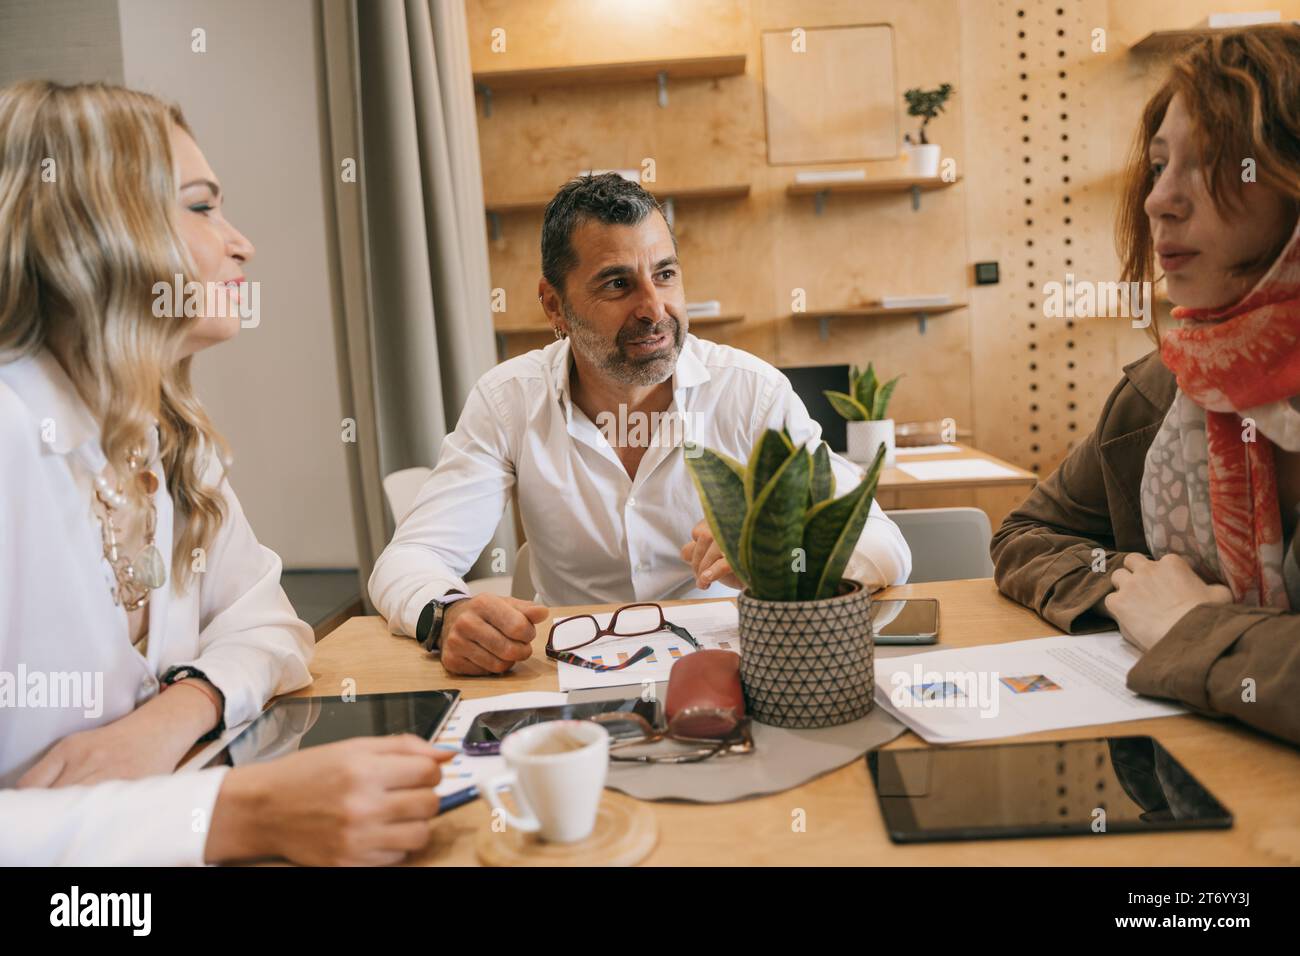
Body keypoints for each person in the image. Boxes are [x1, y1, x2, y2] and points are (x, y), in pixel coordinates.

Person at [0, 81, 451, 865]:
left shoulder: (164, 433)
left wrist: (182, 709)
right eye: (202, 206)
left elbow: (268, 621)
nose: (241, 243)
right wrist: (237, 814)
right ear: (95, 223)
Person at [369, 173, 912, 676]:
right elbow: (411, 559)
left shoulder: (750, 392)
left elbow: (885, 546)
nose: (654, 308)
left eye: (666, 275)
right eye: (616, 284)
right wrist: (447, 615)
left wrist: (784, 550)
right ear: (554, 305)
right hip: (568, 676)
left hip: (727, 670)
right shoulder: (507, 400)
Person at [991, 26, 1300, 745]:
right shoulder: (1168, 387)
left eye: (1215, 163)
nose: (1159, 200)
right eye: (1159, 167)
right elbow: (1029, 534)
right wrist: (1139, 595)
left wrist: (1193, 628)